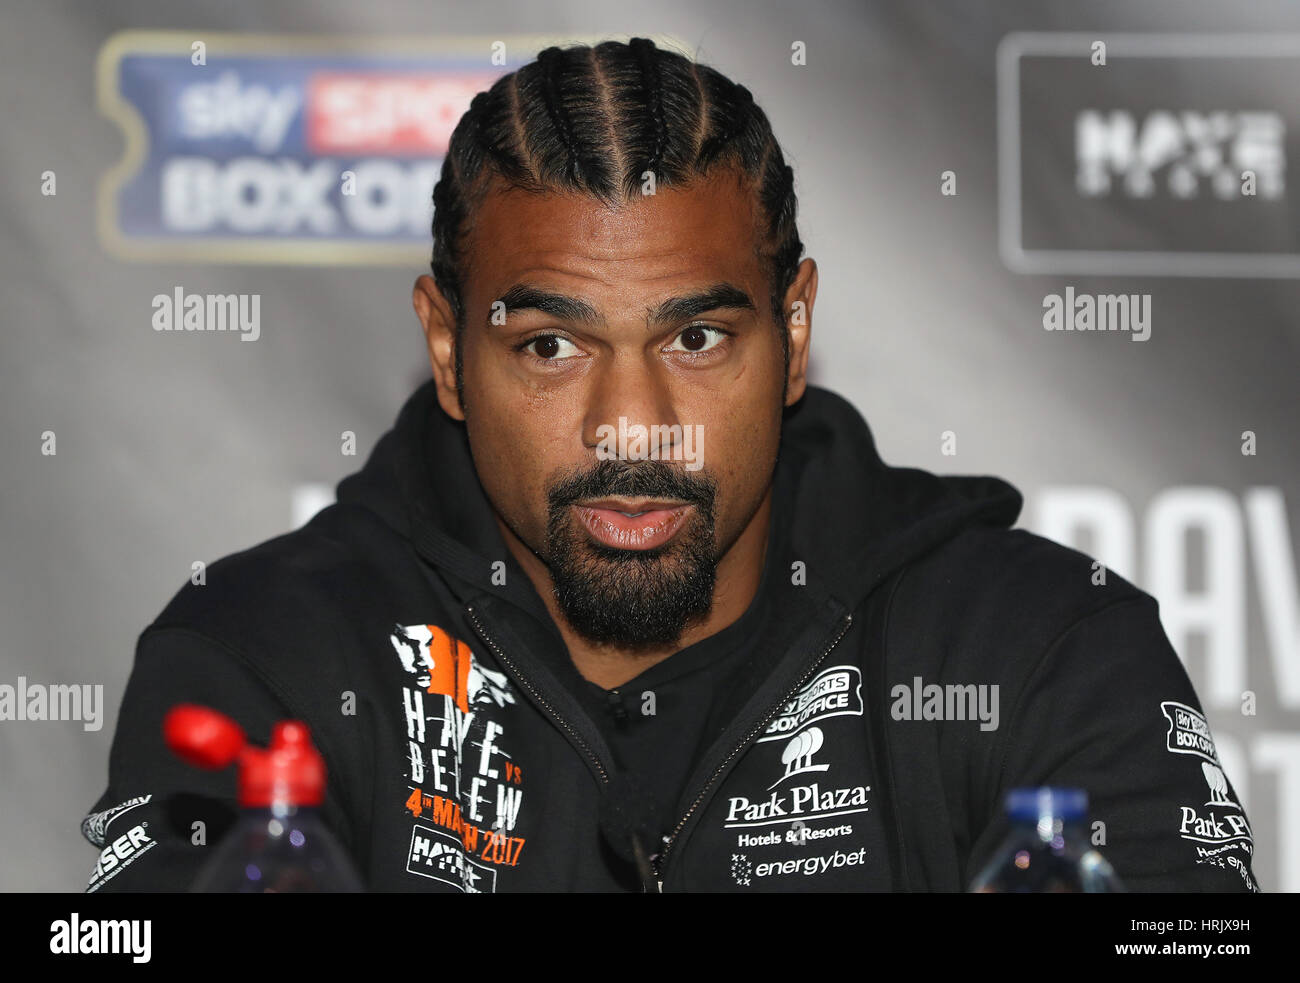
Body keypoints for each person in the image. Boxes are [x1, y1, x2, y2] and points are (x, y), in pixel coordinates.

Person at [81, 37, 1258, 893]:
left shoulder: (1033, 644)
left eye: (695, 338)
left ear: (791, 331)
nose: (632, 426)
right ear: (448, 349)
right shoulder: (267, 655)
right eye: (551, 345)